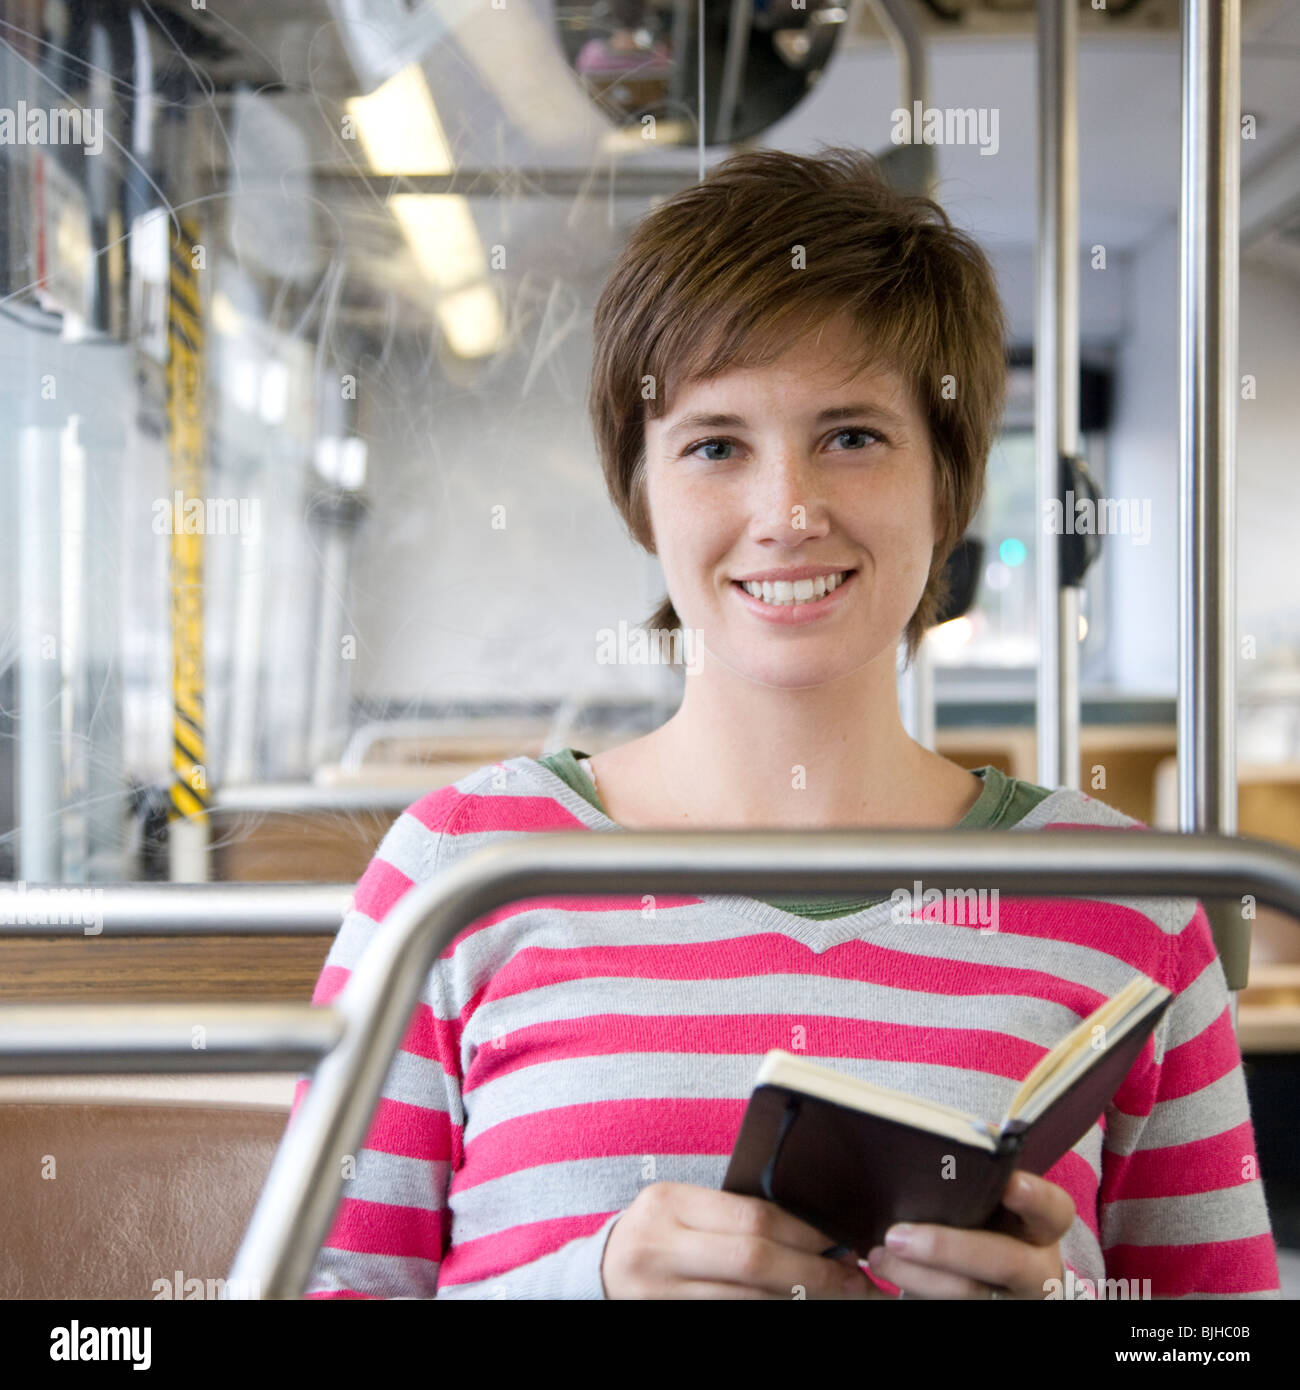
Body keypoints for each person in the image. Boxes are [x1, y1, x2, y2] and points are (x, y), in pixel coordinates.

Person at [297, 145, 1280, 1300]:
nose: (788, 512)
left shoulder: (1130, 908)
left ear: (947, 482)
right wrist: (586, 1287)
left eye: (852, 435)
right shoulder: (457, 874)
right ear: (642, 490)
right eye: (716, 445)